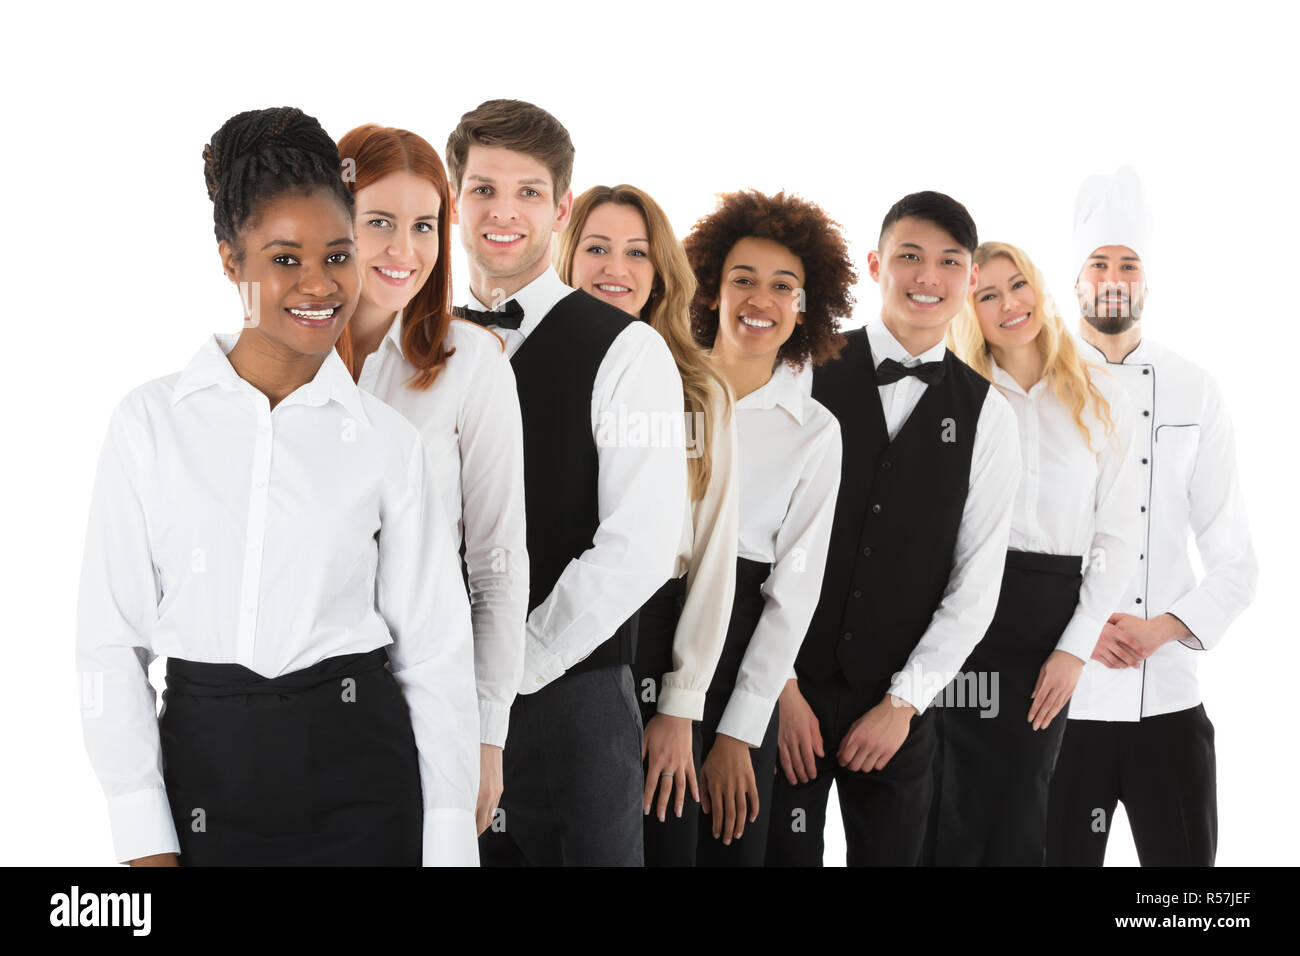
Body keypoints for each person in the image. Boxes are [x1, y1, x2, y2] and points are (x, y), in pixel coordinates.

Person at [75, 106, 480, 867]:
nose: (318, 285)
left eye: (336, 255)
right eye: (284, 259)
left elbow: (434, 654)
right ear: (231, 260)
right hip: (205, 777)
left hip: (366, 780)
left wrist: (451, 839)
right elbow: (108, 646)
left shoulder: (388, 445)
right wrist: (142, 835)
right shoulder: (149, 426)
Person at [446, 100, 687, 867]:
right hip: (429, 694)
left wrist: (510, 669)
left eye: (526, 192)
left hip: (570, 699)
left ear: (561, 209)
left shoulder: (629, 350)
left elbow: (642, 545)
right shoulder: (407, 342)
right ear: (456, 201)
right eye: (483, 189)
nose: (503, 212)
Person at [765, 191, 1021, 867]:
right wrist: (779, 685)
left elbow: (976, 584)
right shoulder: (799, 369)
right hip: (783, 694)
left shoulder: (989, 416)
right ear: (878, 264)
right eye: (909, 256)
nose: (927, 277)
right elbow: (757, 533)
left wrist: (902, 704)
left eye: (948, 263)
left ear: (969, 281)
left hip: (900, 708)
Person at [1046, 167, 1258, 866]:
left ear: (1147, 280)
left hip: (1168, 701)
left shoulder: (1197, 389)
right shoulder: (1037, 384)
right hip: (1062, 704)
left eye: (1127, 264)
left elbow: (1236, 561)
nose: (1113, 277)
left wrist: (1157, 630)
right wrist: (1081, 632)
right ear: (1076, 280)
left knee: (1186, 906)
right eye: (1098, 263)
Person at [332, 123, 528, 837]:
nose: (404, 250)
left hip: (422, 699)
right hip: (289, 697)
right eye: (379, 222)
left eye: (424, 226)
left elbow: (498, 562)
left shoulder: (472, 363)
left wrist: (486, 731)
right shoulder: (280, 361)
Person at [927, 240, 1140, 865]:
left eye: (1016, 285)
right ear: (969, 308)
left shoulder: (1101, 396)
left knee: (1024, 807)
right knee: (945, 804)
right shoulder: (954, 394)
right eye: (986, 294)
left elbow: (1117, 537)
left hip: (1047, 614)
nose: (1007, 304)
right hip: (960, 608)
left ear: (1040, 289)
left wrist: (1074, 647)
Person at [555, 184, 739, 866]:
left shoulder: (700, 390)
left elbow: (716, 558)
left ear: (660, 273)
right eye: (596, 248)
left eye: (637, 253)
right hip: (546, 617)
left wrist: (680, 705)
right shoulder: (524, 367)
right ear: (567, 258)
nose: (615, 267)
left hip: (654, 640)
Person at [683, 190, 850, 866]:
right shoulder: (664, 387)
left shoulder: (814, 432)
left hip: (740, 659)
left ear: (805, 308)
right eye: (743, 280)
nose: (761, 299)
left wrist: (739, 734)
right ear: (712, 290)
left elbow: (793, 597)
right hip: (642, 635)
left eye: (785, 286)